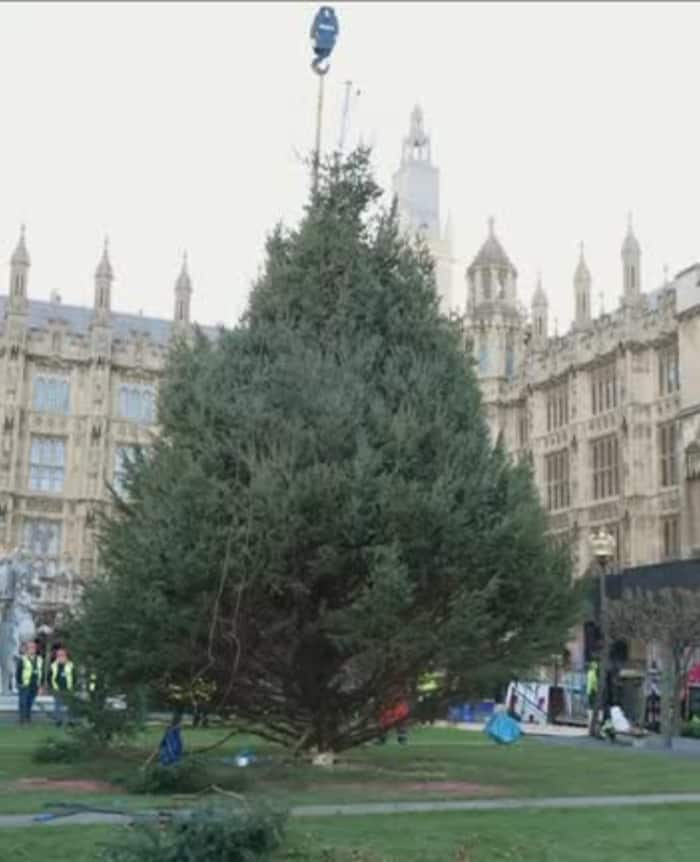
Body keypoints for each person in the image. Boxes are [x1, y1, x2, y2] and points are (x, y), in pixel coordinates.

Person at [16, 640, 43, 725]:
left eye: (34, 648)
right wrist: (19, 682)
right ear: (27, 649)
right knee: (23, 702)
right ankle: (22, 719)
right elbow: (18, 672)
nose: (33, 649)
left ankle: (28, 718)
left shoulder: (39, 659)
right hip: (24, 684)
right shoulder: (22, 659)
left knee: (30, 702)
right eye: (30, 648)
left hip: (34, 684)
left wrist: (40, 685)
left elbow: (41, 671)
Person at [50, 647, 74, 726]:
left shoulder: (71, 665)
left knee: (70, 706)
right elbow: (49, 677)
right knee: (57, 706)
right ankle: (58, 721)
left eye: (62, 655)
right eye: (59, 656)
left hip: (68, 688)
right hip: (57, 689)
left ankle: (71, 721)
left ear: (66, 656)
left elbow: (75, 676)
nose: (61, 657)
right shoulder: (53, 665)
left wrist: (73, 686)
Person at [586, 660, 599, 732]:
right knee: (593, 708)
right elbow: (594, 683)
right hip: (592, 692)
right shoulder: (594, 673)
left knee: (590, 707)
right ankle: (592, 723)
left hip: (589, 691)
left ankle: (590, 723)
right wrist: (597, 691)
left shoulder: (589, 673)